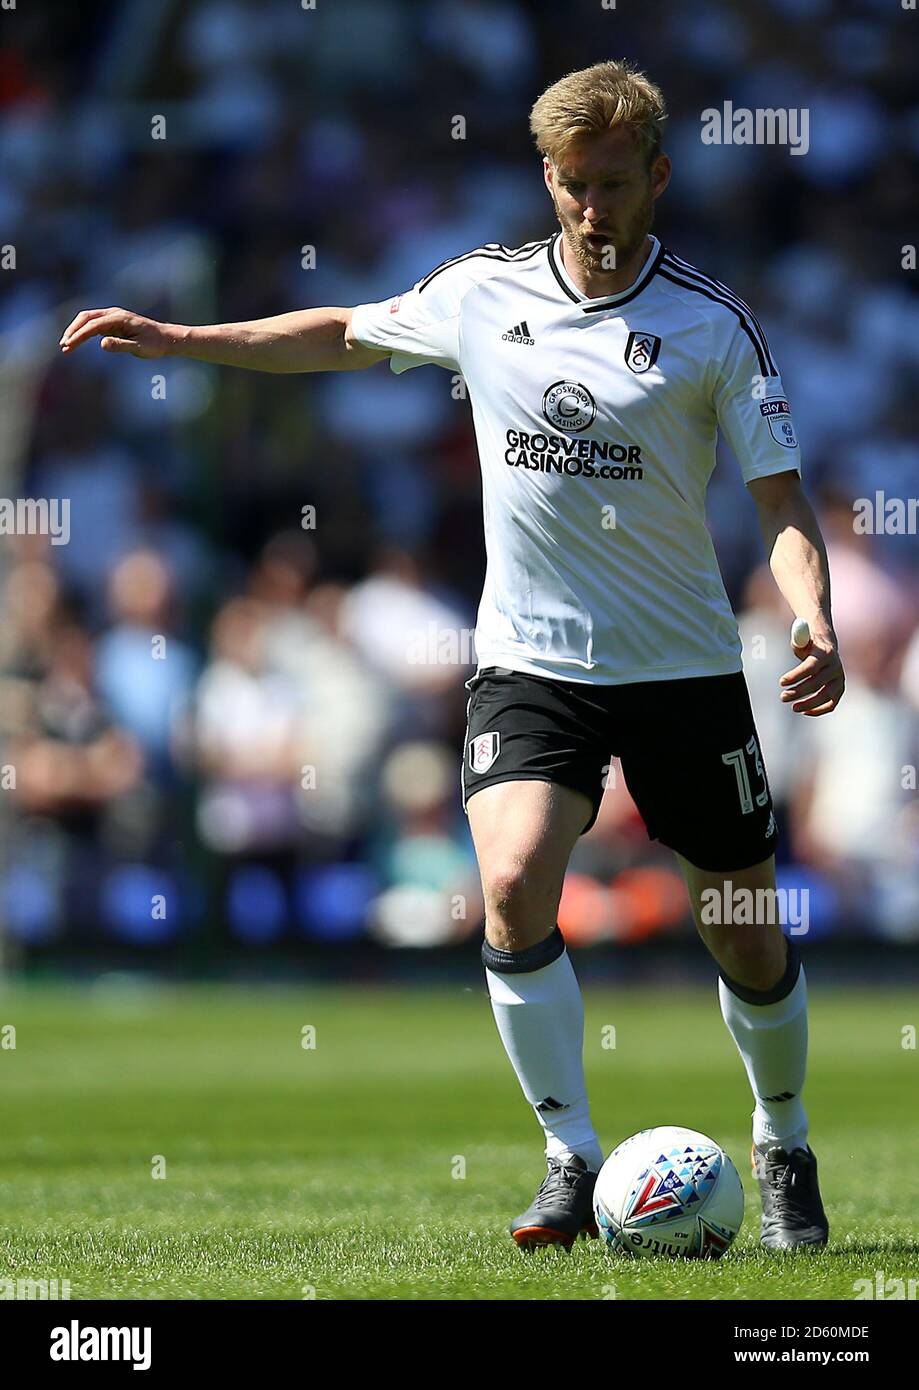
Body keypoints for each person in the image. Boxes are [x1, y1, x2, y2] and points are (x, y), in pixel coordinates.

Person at [60, 59, 845, 1253]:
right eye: (573, 185)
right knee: (516, 876)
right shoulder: (481, 291)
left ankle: (782, 1138)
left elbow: (782, 504)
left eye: (616, 183)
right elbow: (337, 331)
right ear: (547, 177)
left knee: (741, 921)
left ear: (659, 179)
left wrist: (814, 618)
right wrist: (182, 335)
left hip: (681, 669)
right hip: (531, 663)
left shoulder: (712, 326)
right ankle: (570, 1155)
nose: (593, 207)